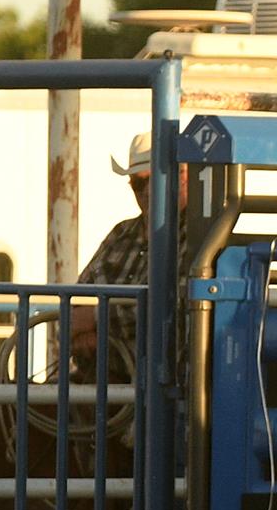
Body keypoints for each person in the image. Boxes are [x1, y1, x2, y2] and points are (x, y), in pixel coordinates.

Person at [70, 131, 191, 370]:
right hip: (105, 376)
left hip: (159, 383)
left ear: (184, 177)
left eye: (155, 180)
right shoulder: (122, 232)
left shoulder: (196, 235)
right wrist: (82, 334)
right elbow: (78, 298)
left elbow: (172, 309)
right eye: (138, 183)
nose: (146, 191)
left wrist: (96, 318)